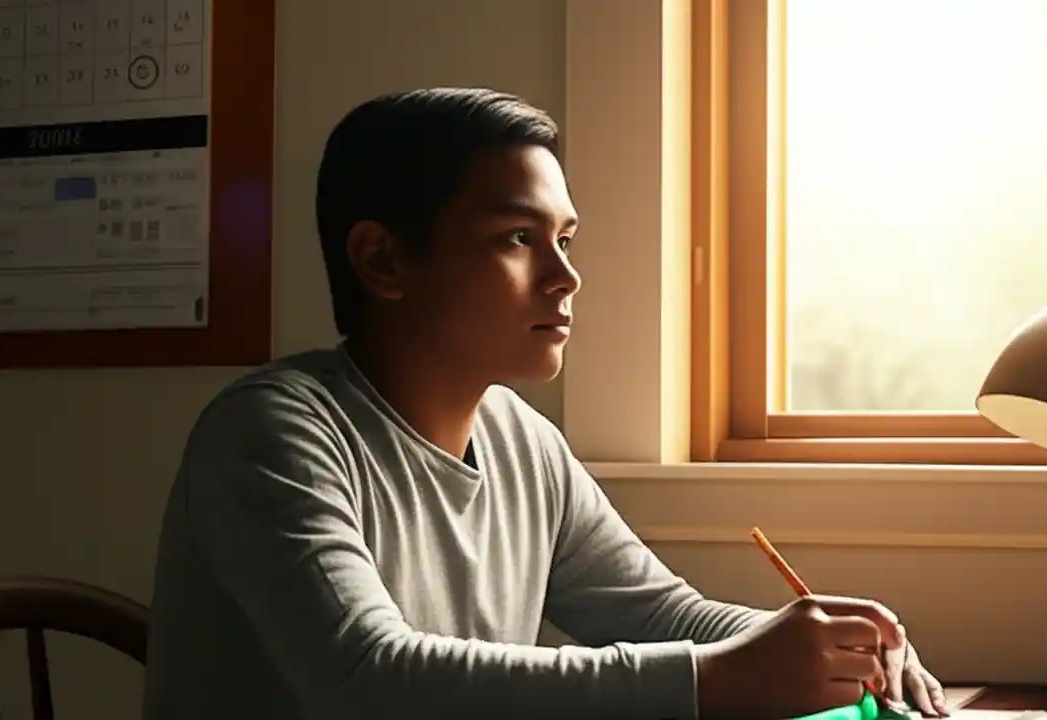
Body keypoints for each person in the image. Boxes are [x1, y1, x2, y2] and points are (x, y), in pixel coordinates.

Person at [142, 87, 948, 720]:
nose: (566, 278)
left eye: (566, 239)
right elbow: (367, 679)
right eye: (518, 239)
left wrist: (835, 648)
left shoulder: (522, 442)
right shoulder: (271, 433)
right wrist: (724, 679)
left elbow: (664, 616)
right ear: (382, 260)